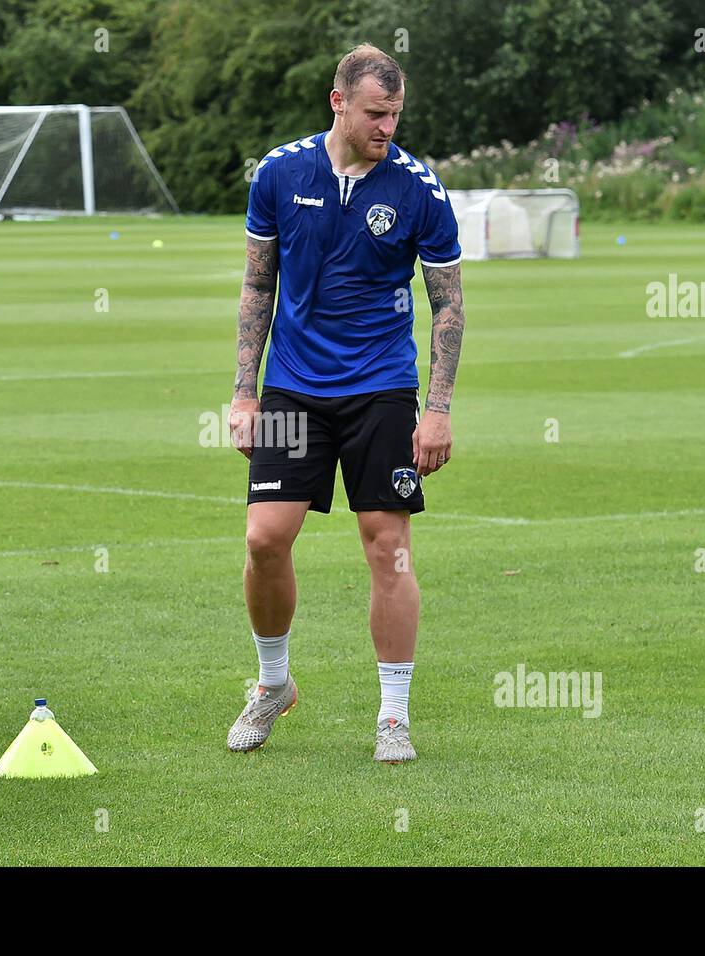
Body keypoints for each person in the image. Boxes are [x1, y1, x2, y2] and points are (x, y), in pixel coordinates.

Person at [226, 44, 465, 763]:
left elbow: (448, 305)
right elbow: (257, 285)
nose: (387, 126)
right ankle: (273, 685)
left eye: (395, 114)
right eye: (374, 113)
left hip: (382, 390)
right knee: (265, 538)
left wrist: (441, 407)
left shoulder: (419, 187)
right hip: (295, 386)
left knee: (386, 549)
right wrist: (243, 392)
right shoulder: (279, 172)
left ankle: (393, 714)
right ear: (338, 103)